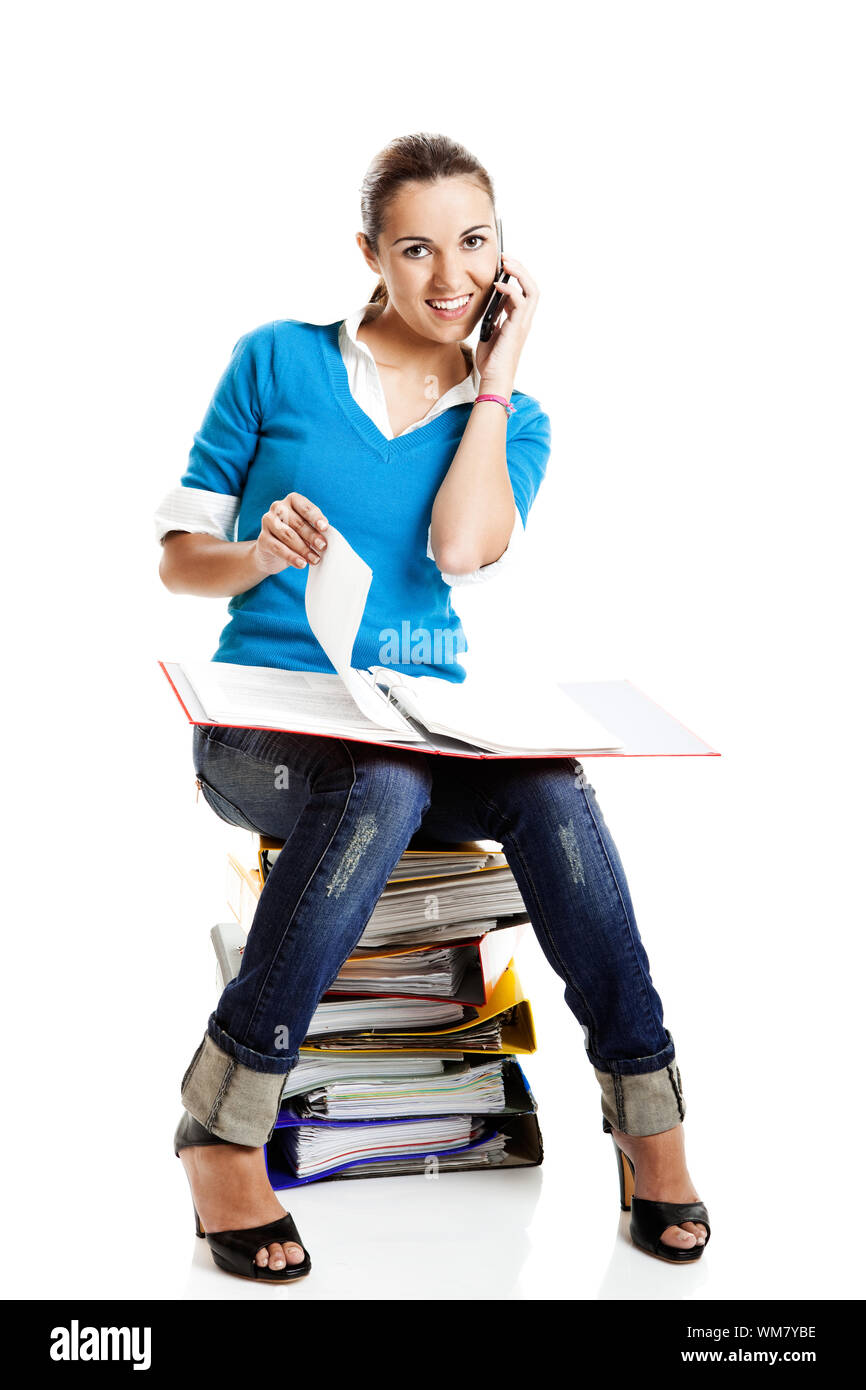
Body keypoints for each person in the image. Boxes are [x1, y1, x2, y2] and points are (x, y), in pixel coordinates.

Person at [154, 132, 710, 1284]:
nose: (447, 274)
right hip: (260, 727)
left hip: (409, 722)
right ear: (371, 253)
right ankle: (224, 1122)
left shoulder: (514, 419)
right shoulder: (276, 362)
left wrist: (492, 381)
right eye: (415, 247)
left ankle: (645, 1114)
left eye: (473, 243)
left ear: (504, 257)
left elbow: (461, 545)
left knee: (546, 783)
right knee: (379, 781)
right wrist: (256, 554)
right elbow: (177, 558)